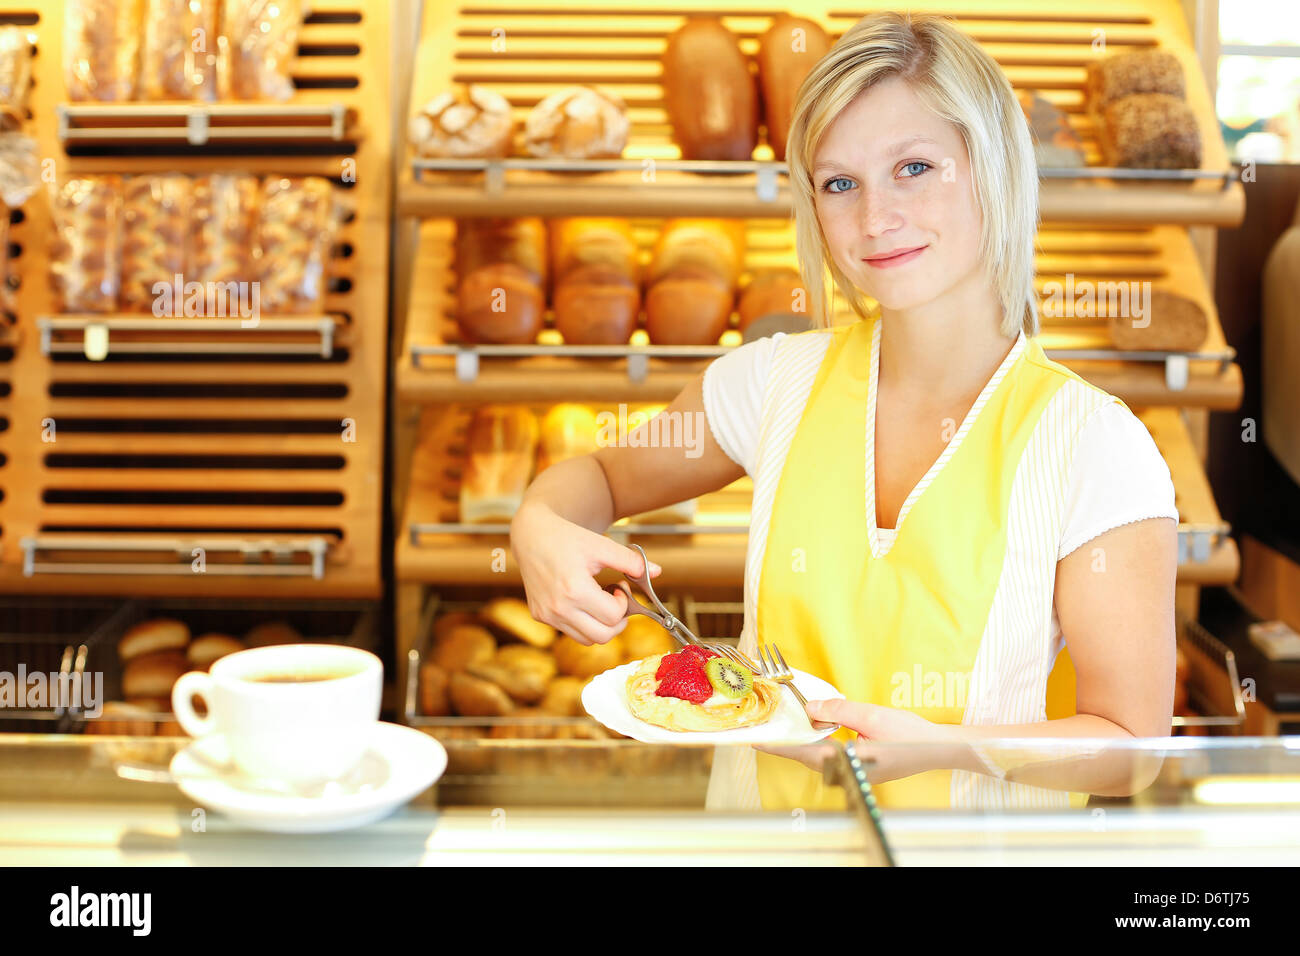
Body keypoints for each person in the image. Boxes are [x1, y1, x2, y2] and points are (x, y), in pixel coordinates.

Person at [510, 12, 1179, 810]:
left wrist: (946, 747)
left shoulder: (1095, 444)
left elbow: (1130, 750)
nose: (874, 217)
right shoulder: (769, 383)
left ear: (993, 167)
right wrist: (539, 525)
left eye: (914, 167)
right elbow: (596, 480)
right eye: (839, 183)